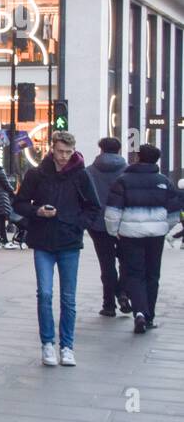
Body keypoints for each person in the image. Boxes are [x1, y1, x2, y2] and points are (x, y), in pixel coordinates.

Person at [13, 130, 102, 367]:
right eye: (60, 151)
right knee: (44, 293)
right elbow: (19, 203)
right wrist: (37, 211)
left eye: (68, 152)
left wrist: (77, 225)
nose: (64, 156)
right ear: (52, 148)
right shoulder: (37, 174)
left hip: (69, 242)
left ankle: (67, 346)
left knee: (68, 297)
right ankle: (48, 344)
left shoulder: (80, 175)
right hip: (42, 240)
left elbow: (94, 207)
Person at [104, 143, 184, 333]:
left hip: (130, 235)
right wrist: (164, 229)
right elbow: (173, 214)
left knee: (134, 273)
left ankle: (139, 311)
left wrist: (114, 230)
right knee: (152, 274)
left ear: (138, 157)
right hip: (155, 236)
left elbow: (113, 211)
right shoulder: (164, 181)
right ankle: (149, 315)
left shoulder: (123, 181)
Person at [85, 136, 132, 317]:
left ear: (101, 150)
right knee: (127, 262)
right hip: (123, 224)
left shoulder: (89, 171)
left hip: (98, 224)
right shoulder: (128, 171)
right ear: (119, 150)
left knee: (106, 264)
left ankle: (109, 305)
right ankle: (122, 292)